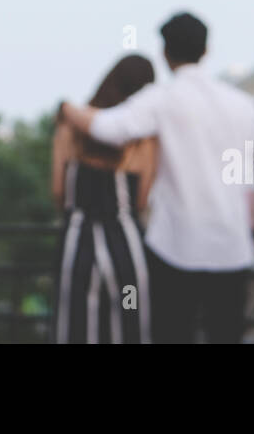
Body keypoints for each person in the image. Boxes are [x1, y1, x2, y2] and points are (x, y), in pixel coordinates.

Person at [60, 13, 254, 343]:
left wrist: (66, 108)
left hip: (175, 247)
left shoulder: (162, 99)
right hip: (232, 248)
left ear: (165, 52)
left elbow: (109, 128)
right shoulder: (242, 104)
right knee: (226, 336)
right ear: (206, 50)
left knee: (172, 335)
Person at [51, 54, 159, 343]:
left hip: (78, 234)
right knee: (131, 324)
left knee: (73, 324)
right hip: (126, 237)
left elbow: (58, 190)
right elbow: (142, 199)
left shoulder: (70, 126)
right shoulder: (145, 137)